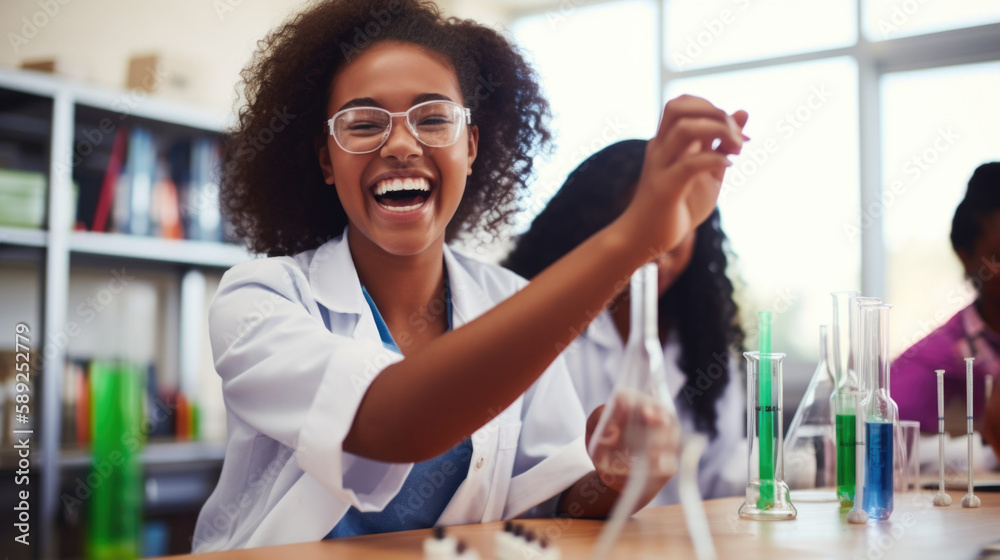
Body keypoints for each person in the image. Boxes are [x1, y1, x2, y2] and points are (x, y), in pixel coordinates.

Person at [192, 0, 747, 551]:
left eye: (434, 119)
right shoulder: (259, 299)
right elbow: (392, 420)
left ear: (472, 146)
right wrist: (633, 239)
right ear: (325, 160)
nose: (403, 145)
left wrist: (620, 473)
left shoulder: (507, 299)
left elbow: (560, 500)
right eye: (363, 124)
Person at [503, 139, 746, 505]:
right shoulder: (546, 329)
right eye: (637, 219)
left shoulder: (706, 345)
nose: (657, 241)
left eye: (676, 219)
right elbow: (537, 492)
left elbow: (722, 484)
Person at [892, 162, 1000, 453]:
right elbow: (870, 444)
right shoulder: (932, 361)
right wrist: (984, 453)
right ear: (966, 256)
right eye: (999, 255)